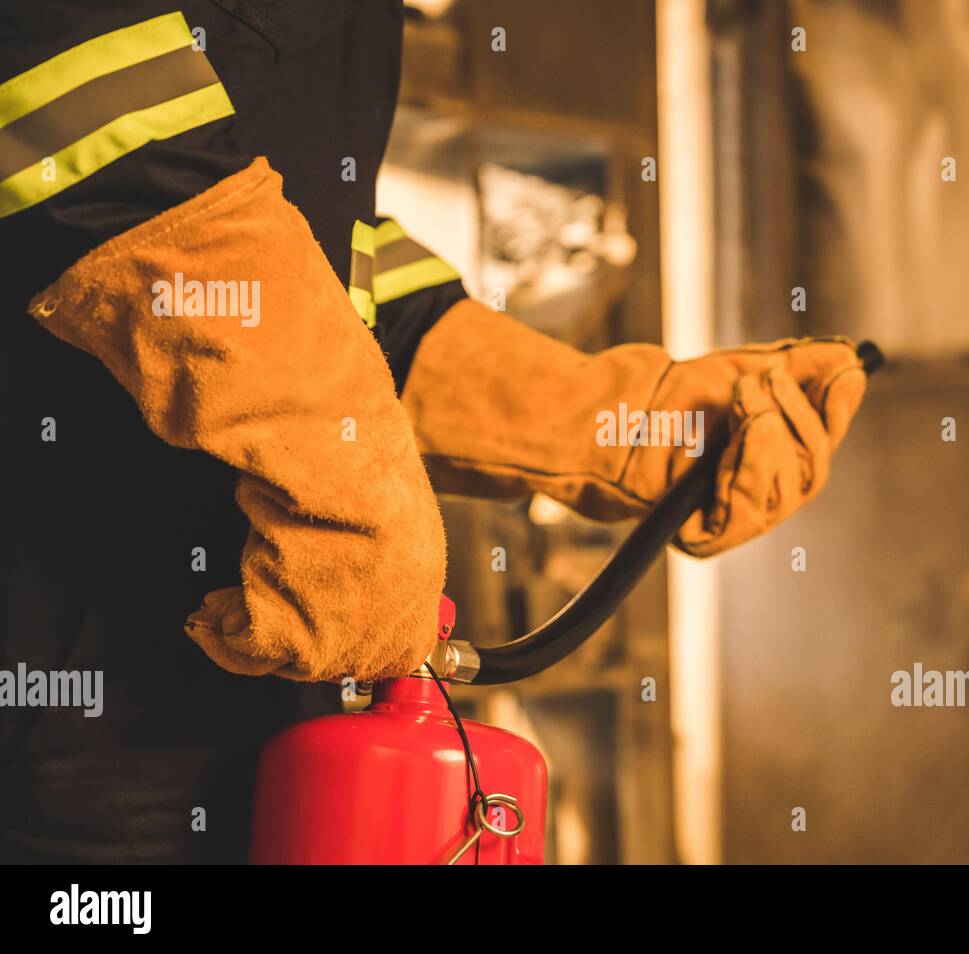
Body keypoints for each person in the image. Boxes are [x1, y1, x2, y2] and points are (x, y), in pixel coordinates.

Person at [0, 0, 869, 862]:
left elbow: (327, 253)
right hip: (67, 679)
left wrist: (598, 419)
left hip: (229, 688)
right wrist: (329, 451)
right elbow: (71, 82)